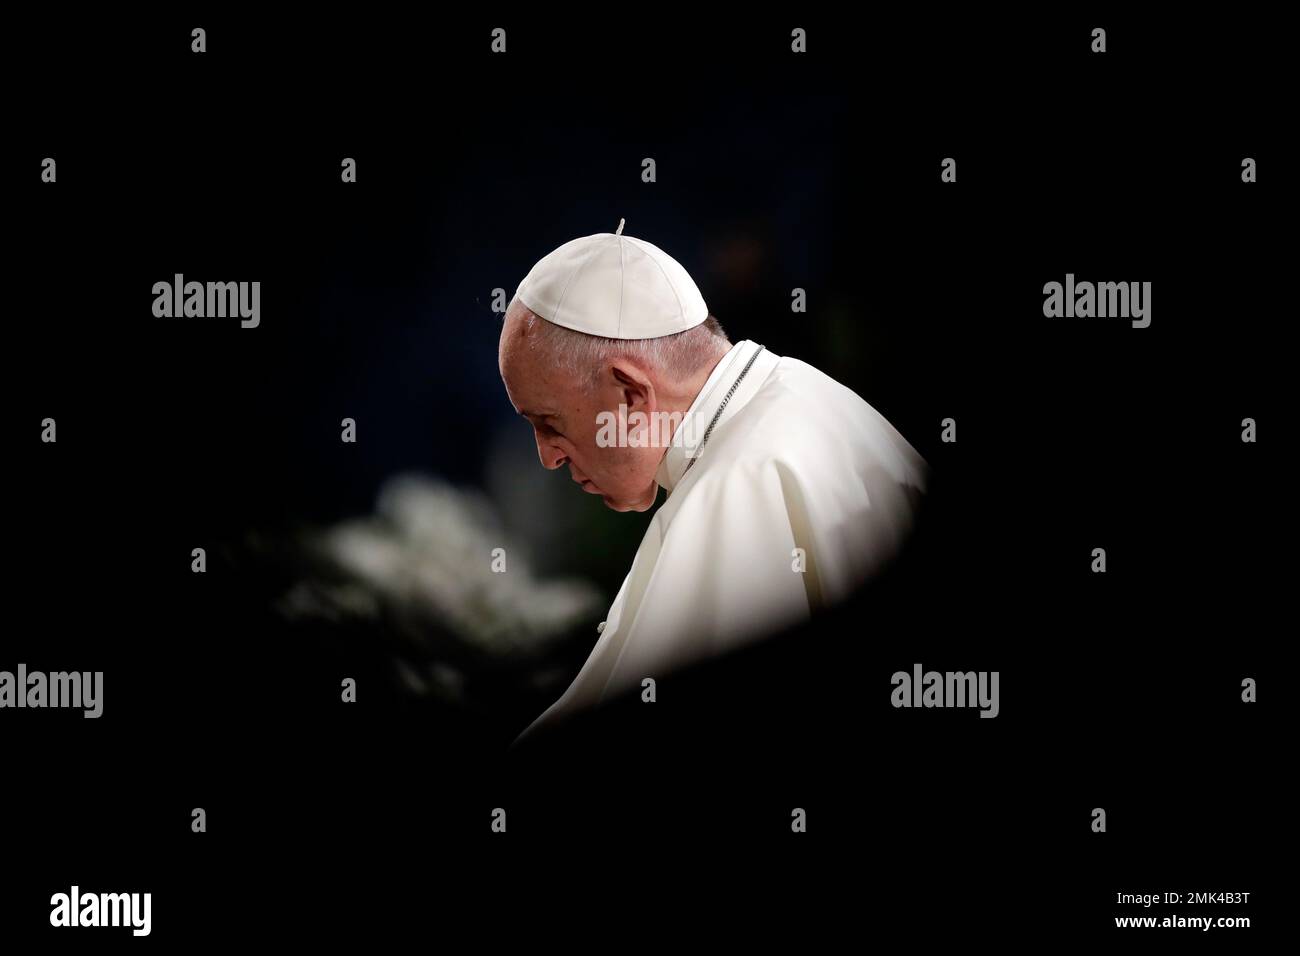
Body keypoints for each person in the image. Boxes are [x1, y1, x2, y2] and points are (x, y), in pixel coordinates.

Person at [499, 220, 928, 747]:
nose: (547, 457)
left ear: (631, 394)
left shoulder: (742, 485)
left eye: (548, 423)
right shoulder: (803, 397)